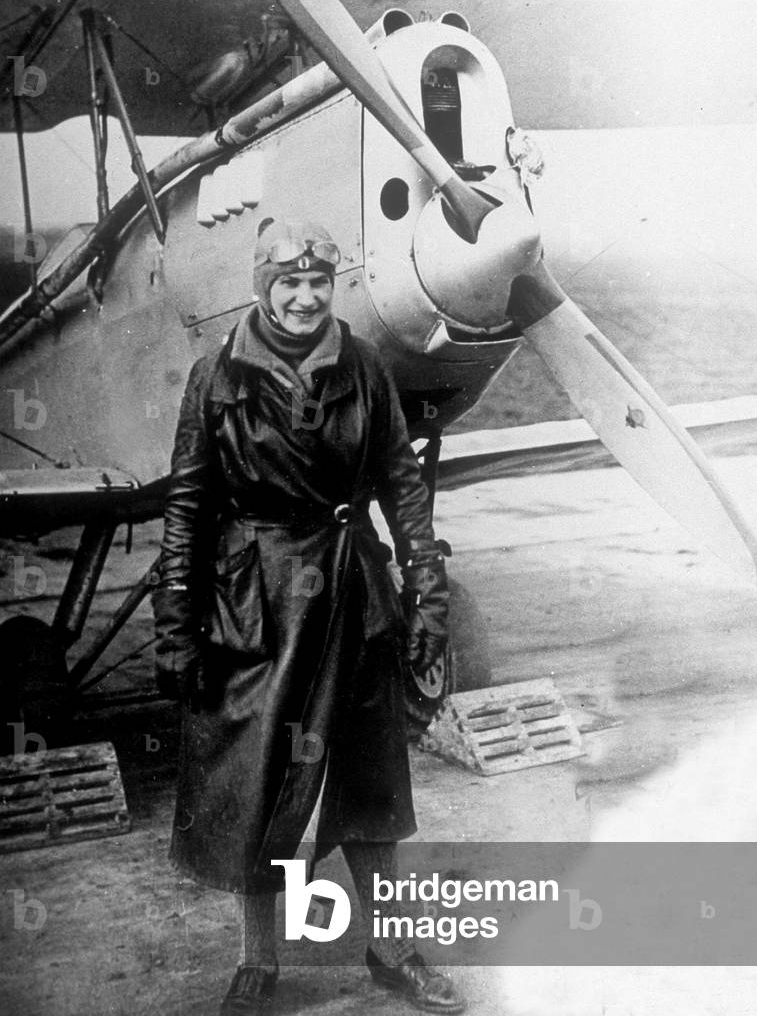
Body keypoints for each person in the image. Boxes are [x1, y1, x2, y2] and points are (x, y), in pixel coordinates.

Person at [152, 217, 466, 1014]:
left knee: (371, 790)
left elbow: (403, 487)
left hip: (353, 602)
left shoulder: (361, 367)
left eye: (317, 282)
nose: (302, 297)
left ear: (334, 285)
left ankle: (392, 950)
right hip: (254, 610)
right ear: (263, 286)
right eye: (286, 282)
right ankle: (258, 963)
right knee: (254, 794)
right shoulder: (215, 375)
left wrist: (425, 600)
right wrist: (176, 625)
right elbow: (187, 505)